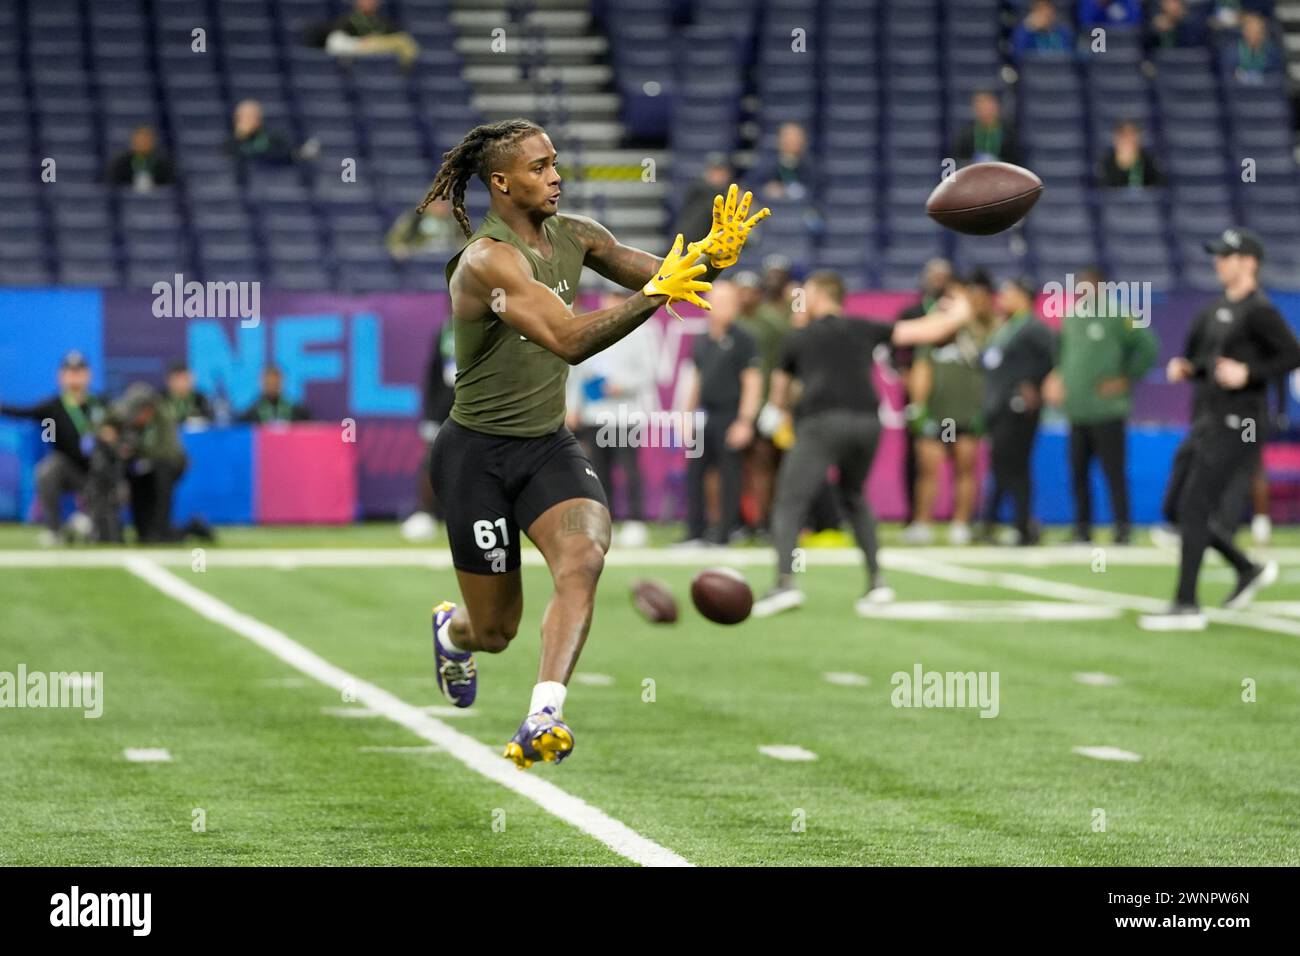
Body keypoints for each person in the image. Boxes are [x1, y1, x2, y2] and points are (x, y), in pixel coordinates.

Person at [418, 119, 768, 768]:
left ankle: (543, 713)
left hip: (546, 444)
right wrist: (658, 295)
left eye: (555, 163)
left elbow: (668, 275)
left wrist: (715, 254)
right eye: (539, 167)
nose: (555, 176)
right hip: (476, 456)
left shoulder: (576, 235)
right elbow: (571, 339)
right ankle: (454, 630)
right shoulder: (487, 261)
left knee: (583, 560)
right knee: (495, 631)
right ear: (500, 182)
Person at [751, 272, 976, 618]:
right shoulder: (862, 326)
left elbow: (780, 393)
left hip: (822, 422)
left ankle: (784, 583)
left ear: (820, 294)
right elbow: (924, 331)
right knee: (854, 496)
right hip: (868, 424)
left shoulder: (800, 336)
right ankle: (877, 582)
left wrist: (775, 411)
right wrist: (959, 314)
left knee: (791, 500)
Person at [1140, 229, 1300, 630]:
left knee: (1195, 505)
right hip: (1207, 418)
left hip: (1240, 421)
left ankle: (1186, 604)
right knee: (1175, 508)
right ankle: (1245, 567)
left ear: (1249, 262)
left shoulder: (1260, 310)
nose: (1219, 262)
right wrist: (1189, 369)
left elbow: (1292, 354)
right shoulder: (1212, 310)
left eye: (1227, 256)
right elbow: (1205, 361)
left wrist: (1250, 372)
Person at [1042, 267, 1157, 545]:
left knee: (1113, 473)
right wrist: (1058, 377)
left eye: (1087, 284)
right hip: (1077, 410)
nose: (1082, 289)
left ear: (1101, 286)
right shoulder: (1071, 317)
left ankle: (1122, 529)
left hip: (1108, 410)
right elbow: (1063, 354)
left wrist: (1126, 377)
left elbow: (1148, 346)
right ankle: (1082, 530)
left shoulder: (1118, 313)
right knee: (1078, 472)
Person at [904, 270, 996, 547]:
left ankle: (960, 523)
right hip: (936, 412)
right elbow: (921, 368)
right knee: (928, 470)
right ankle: (922, 522)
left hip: (966, 413)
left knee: (966, 470)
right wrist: (917, 407)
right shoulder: (935, 329)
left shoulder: (983, 330)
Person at [566, 290, 658, 542]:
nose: (610, 303)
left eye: (616, 299)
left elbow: (649, 372)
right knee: (598, 471)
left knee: (629, 469)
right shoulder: (594, 329)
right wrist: (574, 407)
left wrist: (621, 385)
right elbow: (578, 372)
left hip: (625, 415)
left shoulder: (640, 333)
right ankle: (605, 519)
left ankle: (635, 521)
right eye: (607, 298)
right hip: (596, 414)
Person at [681, 280, 762, 546]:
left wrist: (745, 421)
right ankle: (695, 532)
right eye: (720, 301)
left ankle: (726, 533)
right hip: (706, 413)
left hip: (731, 413)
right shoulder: (702, 339)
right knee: (696, 472)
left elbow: (752, 382)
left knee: (730, 474)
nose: (726, 307)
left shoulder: (744, 339)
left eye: (730, 302)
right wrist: (685, 415)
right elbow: (697, 378)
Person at [977, 278, 1057, 546]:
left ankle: (1022, 527)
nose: (1001, 297)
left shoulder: (1034, 327)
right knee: (1001, 465)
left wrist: (1035, 383)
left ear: (1023, 296)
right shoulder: (1006, 327)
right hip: (999, 407)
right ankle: (993, 523)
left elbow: (1055, 356)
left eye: (1008, 293)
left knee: (1016, 466)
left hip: (1019, 408)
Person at [0, 351, 106, 546]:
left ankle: (92, 523)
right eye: (70, 372)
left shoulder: (101, 404)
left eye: (79, 371)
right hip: (69, 470)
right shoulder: (53, 406)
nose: (75, 377)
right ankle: (54, 529)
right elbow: (23, 412)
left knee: (114, 475)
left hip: (98, 472)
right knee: (47, 469)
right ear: (61, 376)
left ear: (88, 375)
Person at [897, 258, 955, 530]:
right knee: (915, 458)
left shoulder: (956, 314)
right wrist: (907, 380)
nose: (937, 281)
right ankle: (915, 516)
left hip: (950, 399)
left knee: (958, 456)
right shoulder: (912, 312)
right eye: (934, 276)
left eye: (943, 276)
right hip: (916, 399)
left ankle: (959, 520)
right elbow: (896, 353)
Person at [733, 270, 792, 534]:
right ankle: (741, 520)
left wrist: (778, 404)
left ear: (758, 294)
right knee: (736, 468)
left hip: (764, 403)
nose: (745, 296)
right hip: (734, 402)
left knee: (765, 465)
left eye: (749, 291)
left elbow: (785, 364)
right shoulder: (730, 321)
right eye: (740, 290)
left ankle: (765, 521)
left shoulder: (772, 323)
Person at [401, 322, 457, 542]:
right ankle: (426, 511)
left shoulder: (492, 325)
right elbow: (434, 374)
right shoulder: (445, 332)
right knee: (432, 459)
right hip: (445, 408)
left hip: (478, 404)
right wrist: (431, 416)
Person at [325, 0, 420, 71]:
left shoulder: (382, 21)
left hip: (380, 60)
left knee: (403, 40)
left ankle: (409, 69)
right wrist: (359, 43)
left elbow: (394, 34)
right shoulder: (347, 21)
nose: (370, 2)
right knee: (401, 41)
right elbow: (333, 43)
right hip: (360, 53)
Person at [227, 100, 317, 166]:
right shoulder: (230, 142)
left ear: (259, 118)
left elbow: (287, 155)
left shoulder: (273, 137)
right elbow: (234, 160)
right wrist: (240, 137)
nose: (248, 120)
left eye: (252, 116)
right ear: (236, 119)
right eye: (244, 116)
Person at [675, 153, 733, 249]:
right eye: (714, 171)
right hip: (690, 244)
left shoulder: (732, 194)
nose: (718, 175)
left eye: (721, 171)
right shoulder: (698, 190)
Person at [953, 91, 1024, 167]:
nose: (984, 109)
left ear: (996, 106)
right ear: (975, 109)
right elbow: (959, 160)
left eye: (987, 105)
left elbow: (1016, 162)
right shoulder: (966, 134)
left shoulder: (1009, 133)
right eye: (980, 106)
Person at [386, 197, 462, 261]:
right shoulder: (416, 217)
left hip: (444, 260)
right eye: (437, 202)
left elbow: (462, 240)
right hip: (419, 260)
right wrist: (399, 248)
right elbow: (395, 238)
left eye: (445, 203)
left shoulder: (454, 221)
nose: (441, 206)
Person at [102, 125, 174, 191]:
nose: (144, 143)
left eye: (147, 140)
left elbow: (168, 186)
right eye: (140, 140)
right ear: (133, 141)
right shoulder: (121, 163)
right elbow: (112, 184)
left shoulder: (162, 163)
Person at [755, 122, 815, 201]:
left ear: (803, 141)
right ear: (779, 140)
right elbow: (751, 186)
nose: (791, 141)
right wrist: (766, 190)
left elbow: (818, 191)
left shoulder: (811, 166)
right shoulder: (766, 164)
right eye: (787, 137)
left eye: (795, 138)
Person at [1098, 120, 1164, 189]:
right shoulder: (1106, 162)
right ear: (1116, 140)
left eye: (1131, 137)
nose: (1128, 141)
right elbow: (1104, 189)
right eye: (1124, 137)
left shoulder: (1148, 160)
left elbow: (1157, 186)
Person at [239, 366, 312, 423]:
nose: (272, 385)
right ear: (261, 383)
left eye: (275, 382)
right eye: (268, 382)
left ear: (282, 383)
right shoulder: (251, 413)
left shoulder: (297, 411)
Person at [1223, 12, 1282, 83]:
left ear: (1263, 33)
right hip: (1240, 90)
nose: (1255, 35)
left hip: (1265, 90)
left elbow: (1276, 75)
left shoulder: (1272, 52)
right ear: (1245, 31)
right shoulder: (1232, 52)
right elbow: (1229, 75)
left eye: (1258, 31)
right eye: (1251, 30)